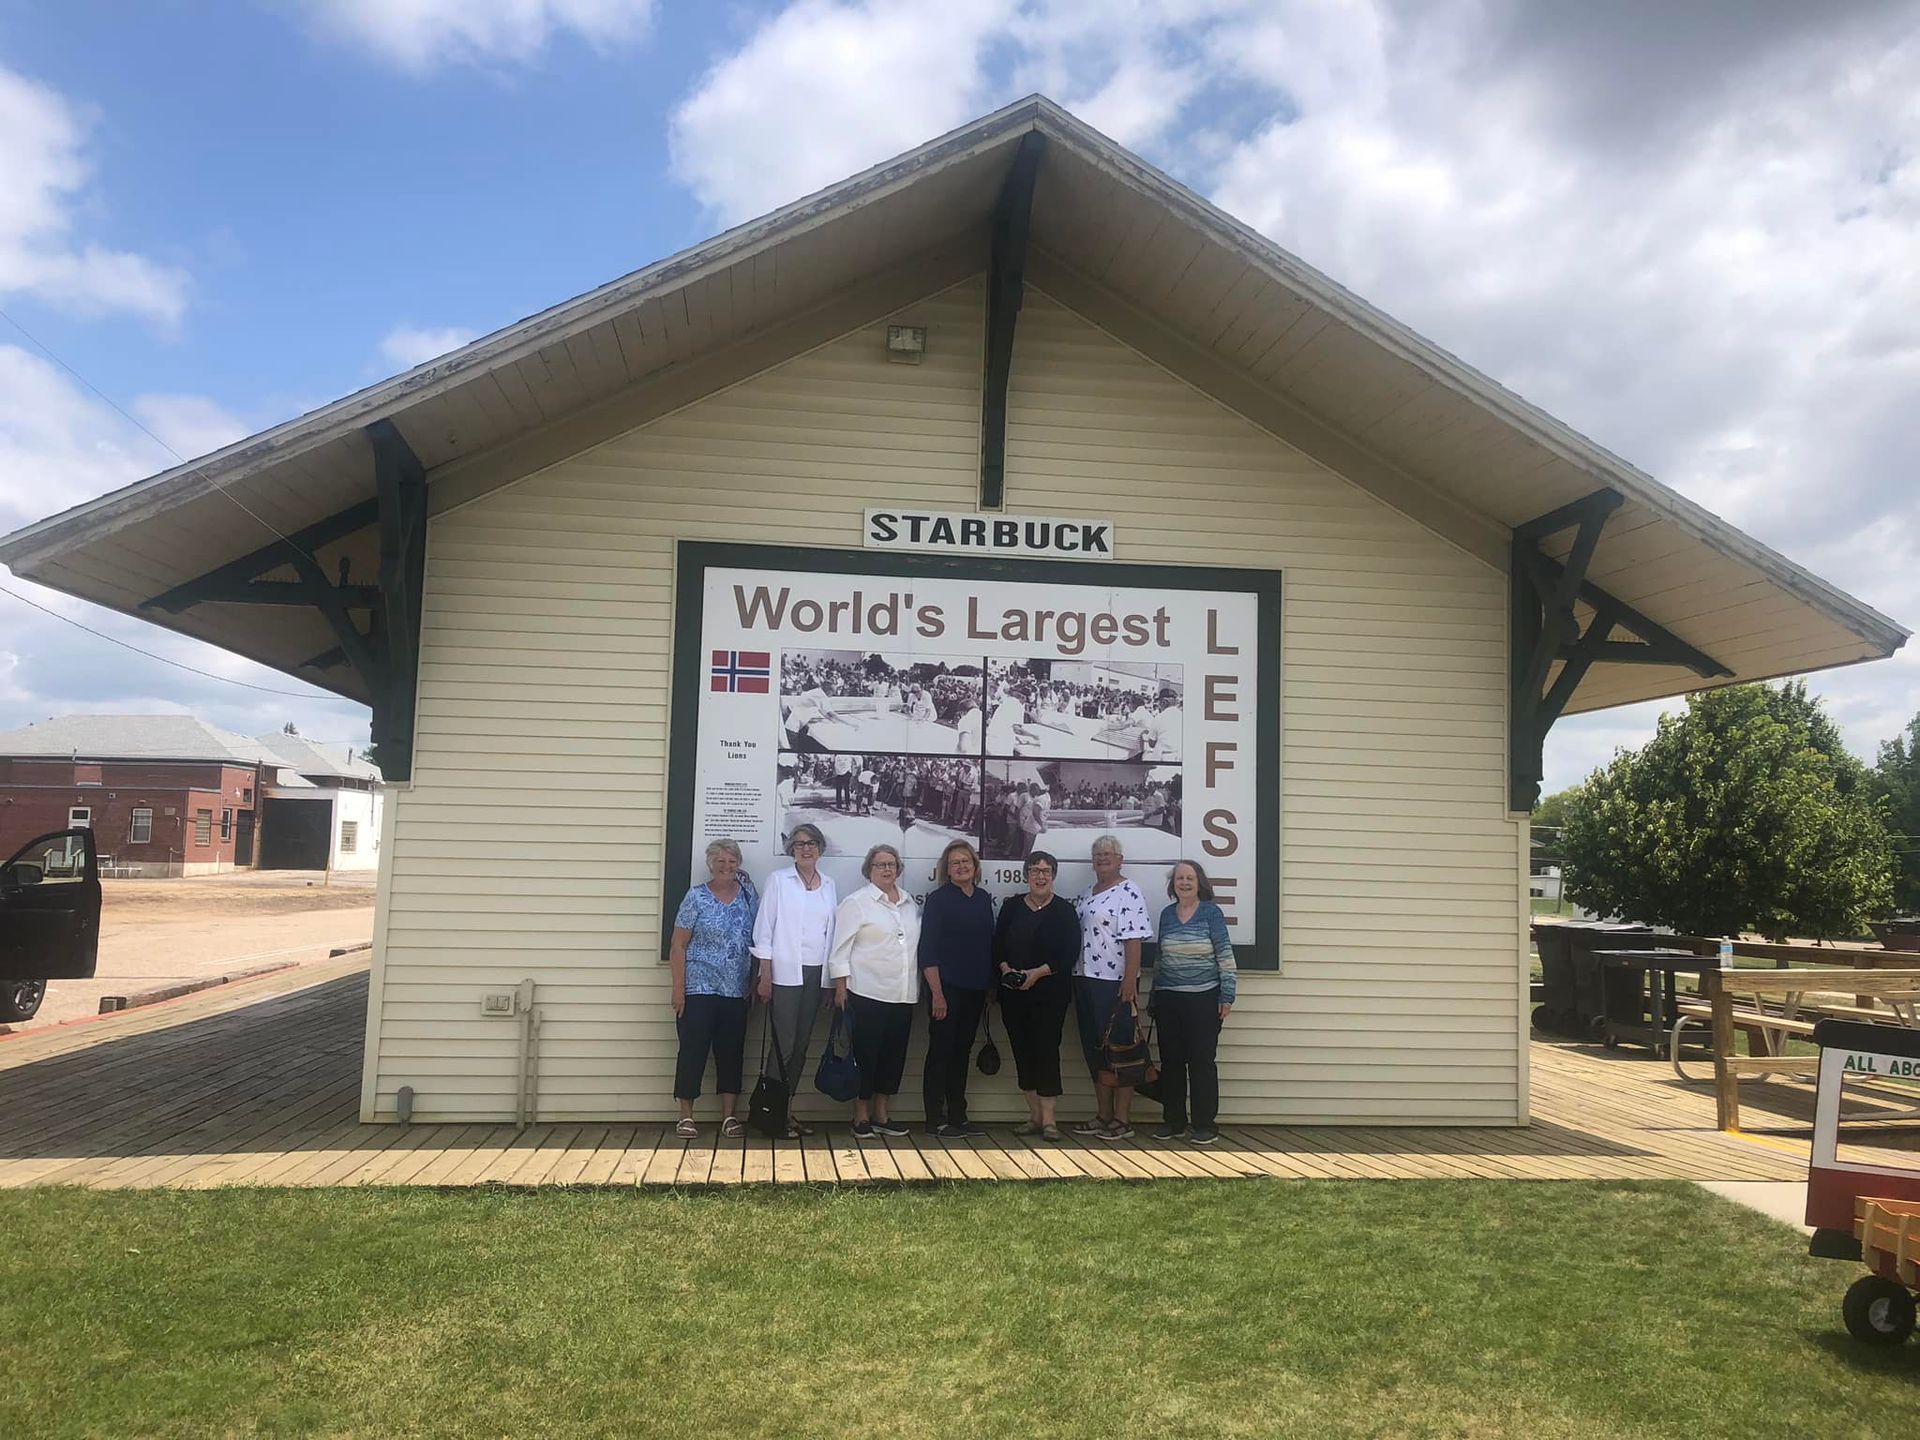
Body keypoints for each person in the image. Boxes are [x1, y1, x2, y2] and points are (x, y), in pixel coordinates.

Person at [827, 843, 921, 1140]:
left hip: (903, 994)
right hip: (867, 992)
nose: (887, 869)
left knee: (893, 1058)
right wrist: (840, 987)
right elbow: (840, 949)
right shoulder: (857, 903)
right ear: (869, 869)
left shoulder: (909, 903)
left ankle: (882, 1115)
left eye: (891, 864)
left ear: (899, 869)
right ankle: (861, 1116)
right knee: (866, 1057)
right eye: (880, 864)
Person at [750, 824, 836, 1138]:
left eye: (811, 843)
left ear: (820, 848)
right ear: (792, 850)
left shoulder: (829, 885)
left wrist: (828, 982)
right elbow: (764, 929)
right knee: (783, 1045)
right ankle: (772, 1117)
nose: (806, 848)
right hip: (786, 974)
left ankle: (786, 1111)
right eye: (799, 844)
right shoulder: (779, 880)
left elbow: (830, 935)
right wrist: (765, 974)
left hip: (815, 974)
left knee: (801, 1047)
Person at [669, 839, 759, 1137]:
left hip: (735, 990)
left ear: (739, 865)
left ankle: (729, 1117)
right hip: (699, 987)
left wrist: (755, 982)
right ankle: (685, 1116)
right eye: (720, 861)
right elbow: (678, 945)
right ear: (710, 864)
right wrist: (678, 989)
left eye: (732, 861)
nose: (726, 866)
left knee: (731, 1053)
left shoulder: (748, 895)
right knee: (692, 1051)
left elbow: (759, 938)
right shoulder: (696, 896)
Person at [1072, 834, 1153, 1140]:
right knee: (1096, 1048)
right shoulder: (1087, 894)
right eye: (1098, 854)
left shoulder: (1128, 891)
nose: (1103, 858)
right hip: (1084, 978)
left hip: (1114, 982)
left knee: (1121, 1048)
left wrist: (1129, 982)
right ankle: (1103, 1115)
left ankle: (1122, 1119)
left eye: (1109, 853)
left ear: (1120, 859)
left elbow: (1134, 939)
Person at [995, 850, 1080, 1140]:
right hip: (1014, 995)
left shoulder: (1064, 911)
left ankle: (1049, 1121)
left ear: (1053, 876)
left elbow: (1069, 953)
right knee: (1022, 1052)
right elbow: (998, 945)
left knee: (1047, 1051)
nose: (1040, 876)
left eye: (1045, 871)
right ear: (1026, 875)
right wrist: (1006, 970)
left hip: (1050, 996)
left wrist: (1038, 973)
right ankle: (1033, 1117)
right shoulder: (1012, 907)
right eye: (1034, 870)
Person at [1152, 860, 1237, 1143]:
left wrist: (1227, 995)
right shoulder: (1166, 914)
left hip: (1204, 998)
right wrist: (1154, 995)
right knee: (1171, 1062)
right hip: (1169, 998)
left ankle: (1204, 1125)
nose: (1184, 883)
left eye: (1190, 878)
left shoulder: (1211, 913)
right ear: (1173, 884)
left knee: (1202, 1062)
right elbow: (1160, 958)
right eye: (1179, 878)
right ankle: (1174, 1121)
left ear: (1199, 882)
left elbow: (1225, 955)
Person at [918, 839, 996, 1137]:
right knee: (941, 1052)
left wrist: (990, 989)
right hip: (946, 990)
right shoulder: (938, 900)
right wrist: (937, 994)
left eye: (966, 861)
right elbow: (928, 951)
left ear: (975, 866)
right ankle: (934, 1119)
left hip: (975, 990)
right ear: (946, 870)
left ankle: (958, 1116)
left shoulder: (983, 898)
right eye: (955, 863)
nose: (961, 866)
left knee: (962, 1052)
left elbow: (987, 945)